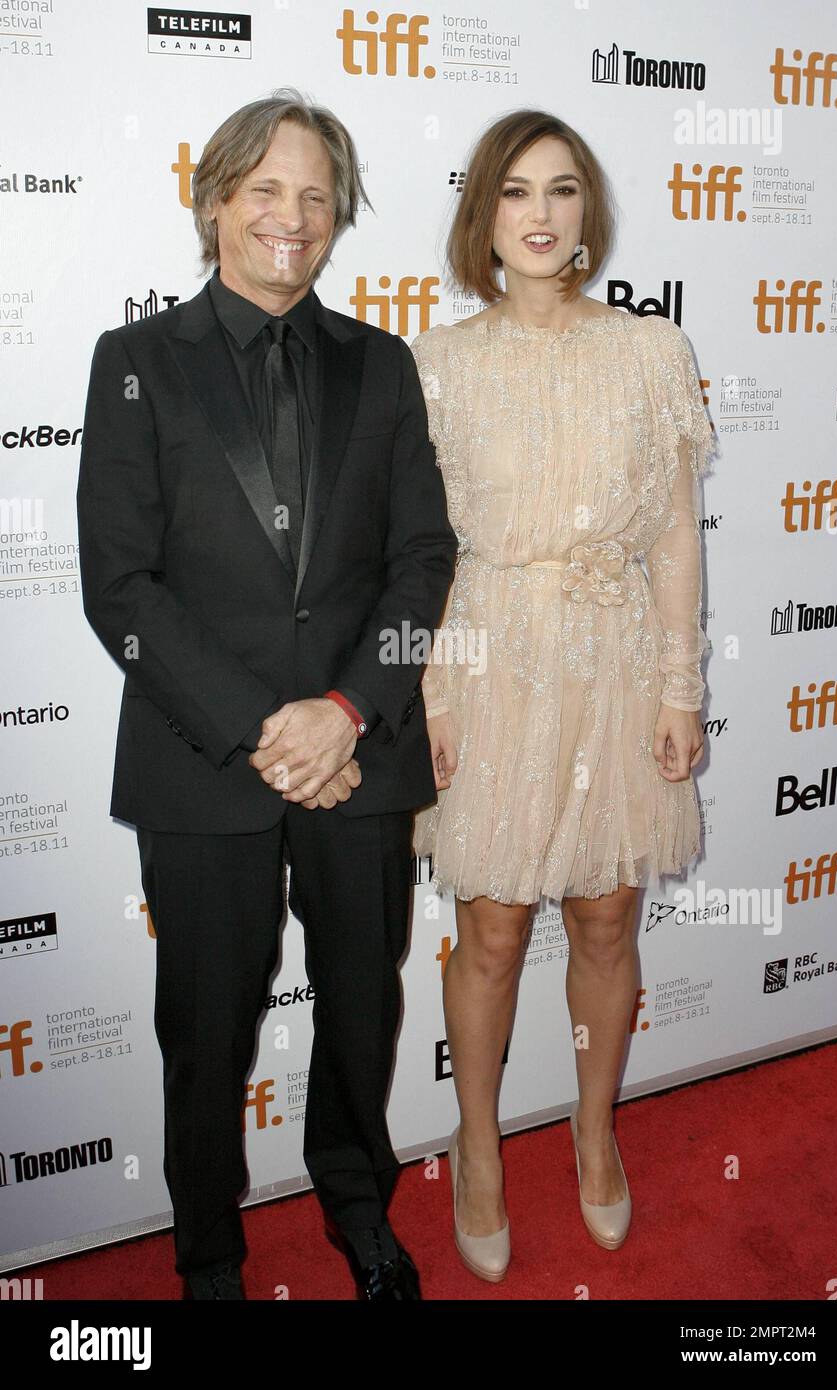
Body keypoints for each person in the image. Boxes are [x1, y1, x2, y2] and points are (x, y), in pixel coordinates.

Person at [76, 88, 456, 1300]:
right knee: (205, 1033)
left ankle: (357, 1203)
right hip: (203, 765)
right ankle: (207, 1255)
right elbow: (122, 586)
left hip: (360, 755)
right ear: (213, 202)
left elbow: (422, 559)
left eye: (316, 196)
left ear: (338, 216)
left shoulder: (381, 363)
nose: (291, 218)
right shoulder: (135, 364)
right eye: (265, 191)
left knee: (359, 1007)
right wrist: (263, 728)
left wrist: (344, 711)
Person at [409, 109, 717, 1282]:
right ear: (482, 215)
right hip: (489, 658)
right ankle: (477, 1146)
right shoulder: (437, 364)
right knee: (488, 928)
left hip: (614, 657)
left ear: (586, 212)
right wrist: (431, 696)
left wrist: (679, 686)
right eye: (515, 193)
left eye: (562, 191)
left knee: (604, 916)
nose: (540, 215)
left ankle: (592, 1130)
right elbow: (416, 554)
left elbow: (676, 538)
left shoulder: (650, 353)